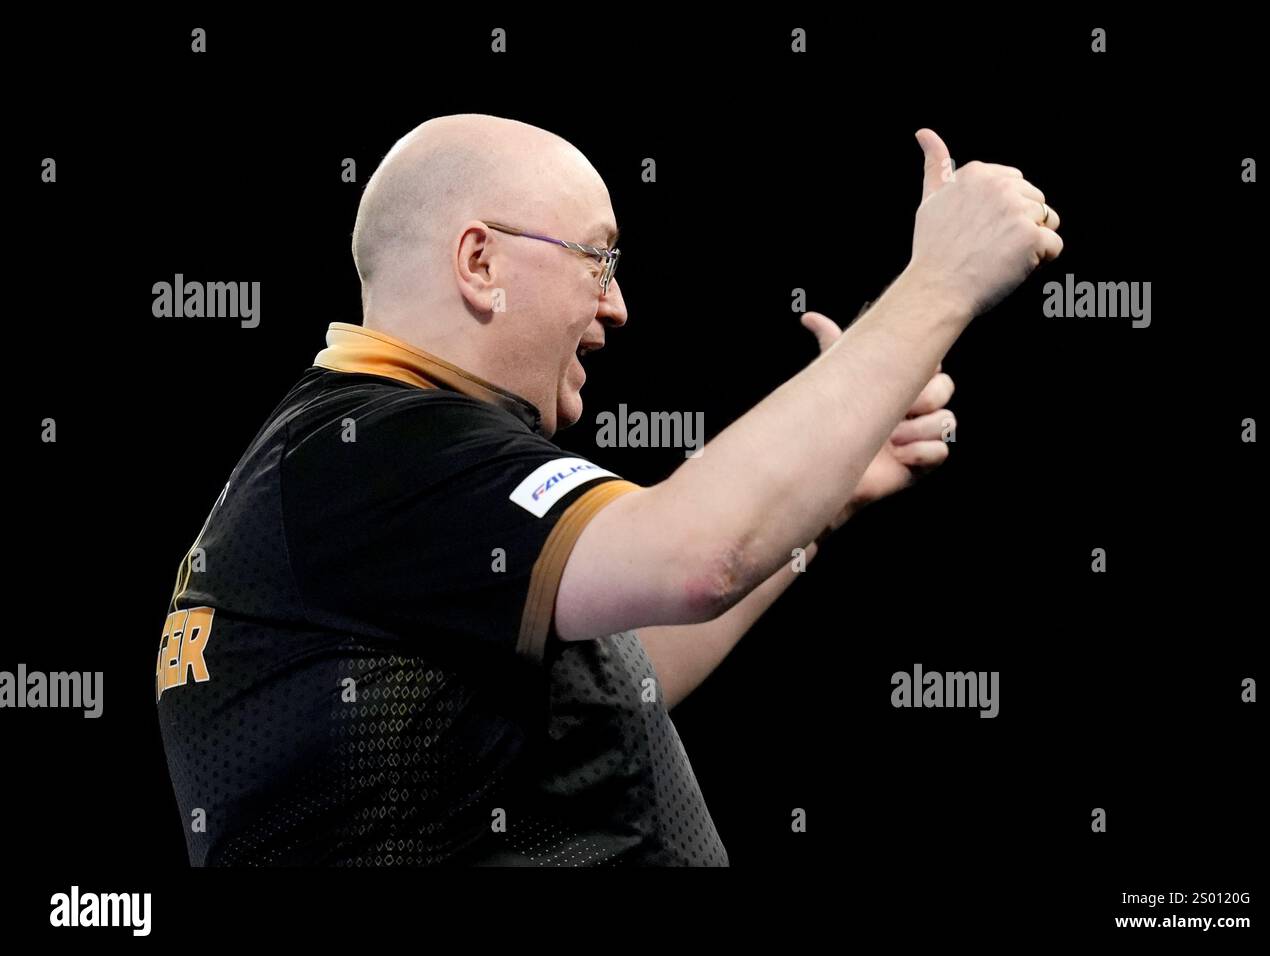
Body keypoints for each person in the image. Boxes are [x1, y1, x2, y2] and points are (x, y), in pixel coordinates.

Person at [155, 113, 1061, 865]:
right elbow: (696, 554)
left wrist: (828, 489)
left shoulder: (362, 459)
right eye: (599, 259)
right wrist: (941, 282)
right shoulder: (375, 447)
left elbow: (622, 669)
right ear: (480, 263)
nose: (617, 305)